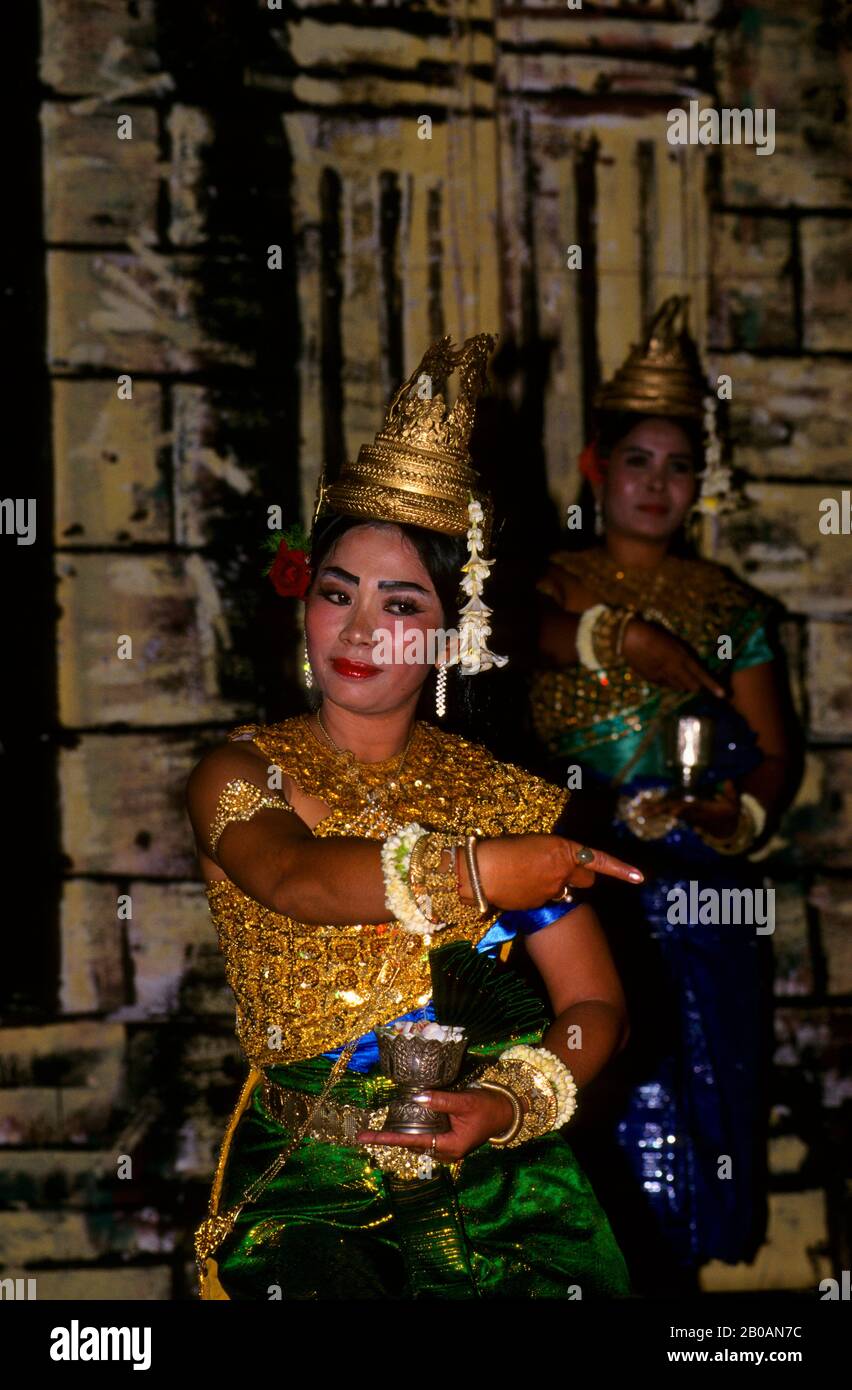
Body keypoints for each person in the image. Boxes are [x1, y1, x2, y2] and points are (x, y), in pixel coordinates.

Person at [186, 333, 645, 1300]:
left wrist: (508, 1099)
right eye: (336, 593)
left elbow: (593, 1004)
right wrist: (477, 875)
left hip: (498, 1178)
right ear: (304, 604)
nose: (358, 630)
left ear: (450, 627)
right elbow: (296, 881)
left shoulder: (505, 799)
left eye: (400, 602)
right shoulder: (243, 772)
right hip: (309, 1186)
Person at [529, 298, 801, 1293]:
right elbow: (524, 639)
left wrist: (739, 813)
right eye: (636, 461)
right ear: (598, 468)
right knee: (572, 1102)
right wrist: (621, 637)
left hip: (694, 900)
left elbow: (772, 753)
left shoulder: (732, 606)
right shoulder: (539, 581)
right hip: (567, 883)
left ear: (701, 483)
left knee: (693, 1109)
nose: (657, 484)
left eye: (678, 466)